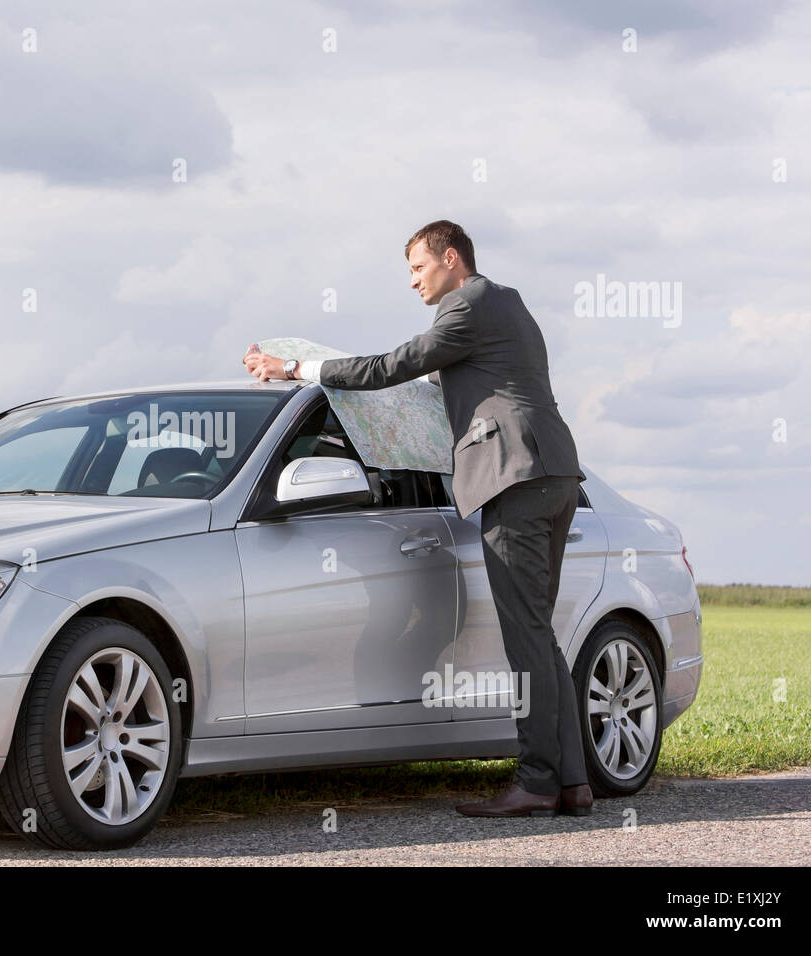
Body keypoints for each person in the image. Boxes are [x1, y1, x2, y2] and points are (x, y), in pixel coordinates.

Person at [243, 220, 592, 817]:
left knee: (526, 636)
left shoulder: (468, 305)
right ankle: (572, 782)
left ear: (450, 258)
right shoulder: (508, 305)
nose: (413, 282)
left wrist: (298, 369)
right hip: (555, 475)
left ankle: (536, 782)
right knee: (540, 634)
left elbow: (392, 366)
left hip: (514, 477)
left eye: (417, 268)